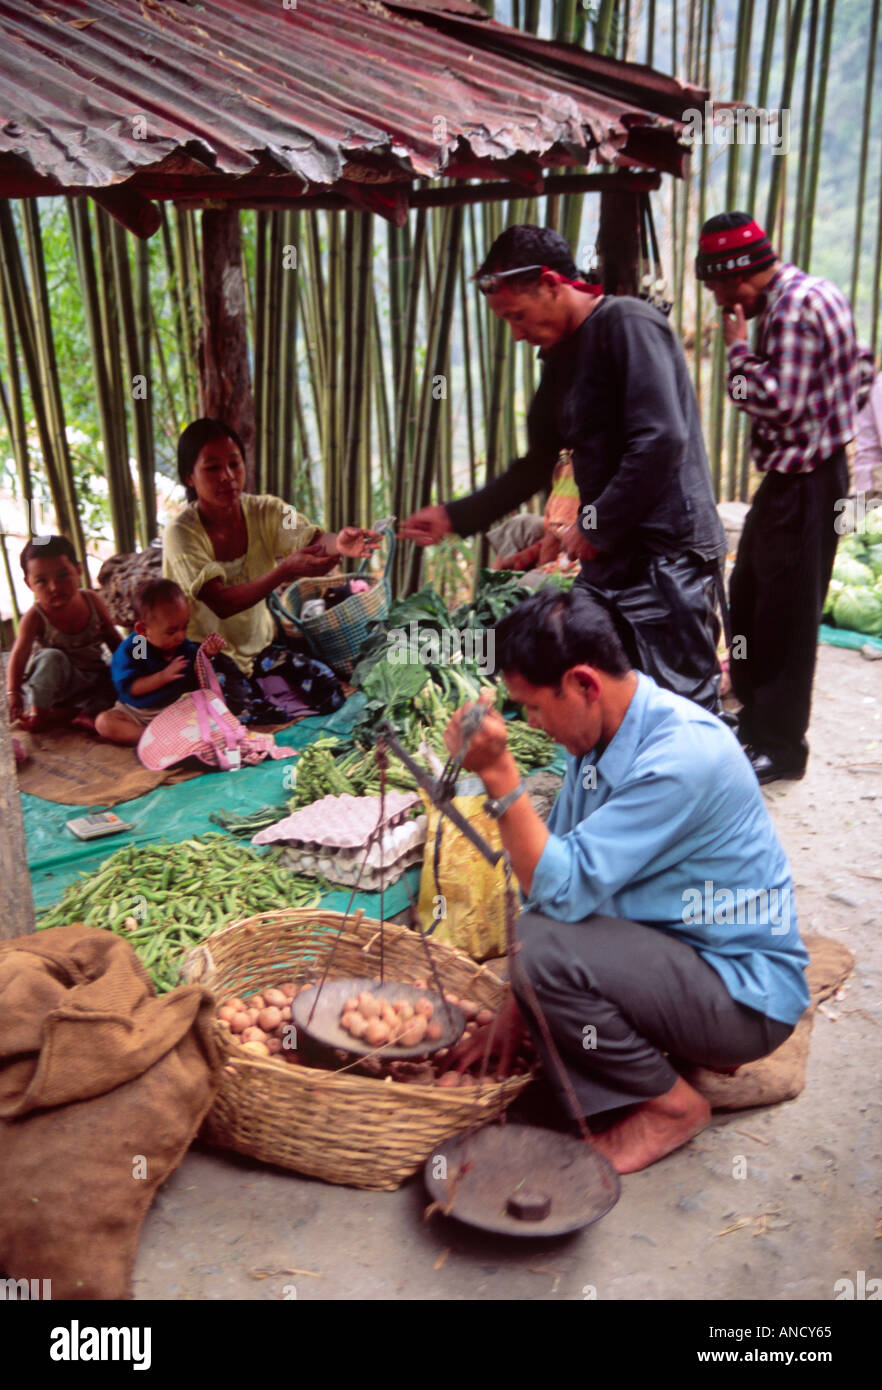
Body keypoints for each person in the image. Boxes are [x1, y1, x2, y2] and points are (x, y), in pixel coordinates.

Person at [443, 586, 809, 1175]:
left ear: (585, 684)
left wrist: (498, 774)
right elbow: (559, 875)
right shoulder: (599, 739)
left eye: (535, 707)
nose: (533, 724)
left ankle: (670, 1107)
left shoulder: (681, 756)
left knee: (543, 947)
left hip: (744, 997)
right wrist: (519, 1011)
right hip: (679, 956)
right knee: (537, 946)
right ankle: (653, 1058)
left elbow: (557, 890)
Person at [400, 225, 728, 712]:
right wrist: (454, 517)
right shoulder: (559, 361)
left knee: (682, 707)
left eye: (518, 315)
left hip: (668, 556)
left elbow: (661, 439)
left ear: (552, 283)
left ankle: (705, 786)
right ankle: (621, 786)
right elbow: (535, 465)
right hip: (612, 561)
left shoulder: (628, 323)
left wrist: (595, 526)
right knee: (604, 700)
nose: (515, 332)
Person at [697, 211, 875, 782]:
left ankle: (781, 745)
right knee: (750, 596)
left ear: (733, 281)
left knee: (786, 617)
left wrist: (737, 352)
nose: (718, 299)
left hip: (808, 481)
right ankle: (755, 724)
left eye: (716, 287)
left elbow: (779, 401)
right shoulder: (815, 290)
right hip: (799, 477)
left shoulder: (792, 308)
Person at [162, 418, 379, 713]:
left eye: (234, 464)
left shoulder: (268, 510)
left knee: (329, 690)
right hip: (206, 655)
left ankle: (260, 693)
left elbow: (311, 537)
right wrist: (284, 571)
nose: (227, 476)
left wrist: (339, 542)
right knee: (237, 714)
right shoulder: (181, 534)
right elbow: (220, 602)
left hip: (260, 649)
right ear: (189, 476)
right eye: (212, 468)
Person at [6, 535, 120, 732]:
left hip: (94, 679)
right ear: (29, 584)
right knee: (51, 657)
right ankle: (40, 714)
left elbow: (114, 639)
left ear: (78, 570)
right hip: (59, 687)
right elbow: (19, 655)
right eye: (42, 581)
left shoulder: (92, 600)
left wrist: (135, 664)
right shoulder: (35, 617)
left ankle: (78, 714)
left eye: (62, 576)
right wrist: (13, 692)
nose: (54, 587)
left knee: (122, 680)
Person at [96, 578, 225, 746]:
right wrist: (163, 676)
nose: (180, 636)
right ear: (143, 630)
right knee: (104, 722)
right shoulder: (139, 645)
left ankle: (168, 737)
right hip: (138, 712)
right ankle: (149, 738)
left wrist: (206, 656)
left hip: (174, 710)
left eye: (184, 627)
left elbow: (196, 674)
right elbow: (132, 686)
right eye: (171, 631)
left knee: (210, 709)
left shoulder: (182, 645)